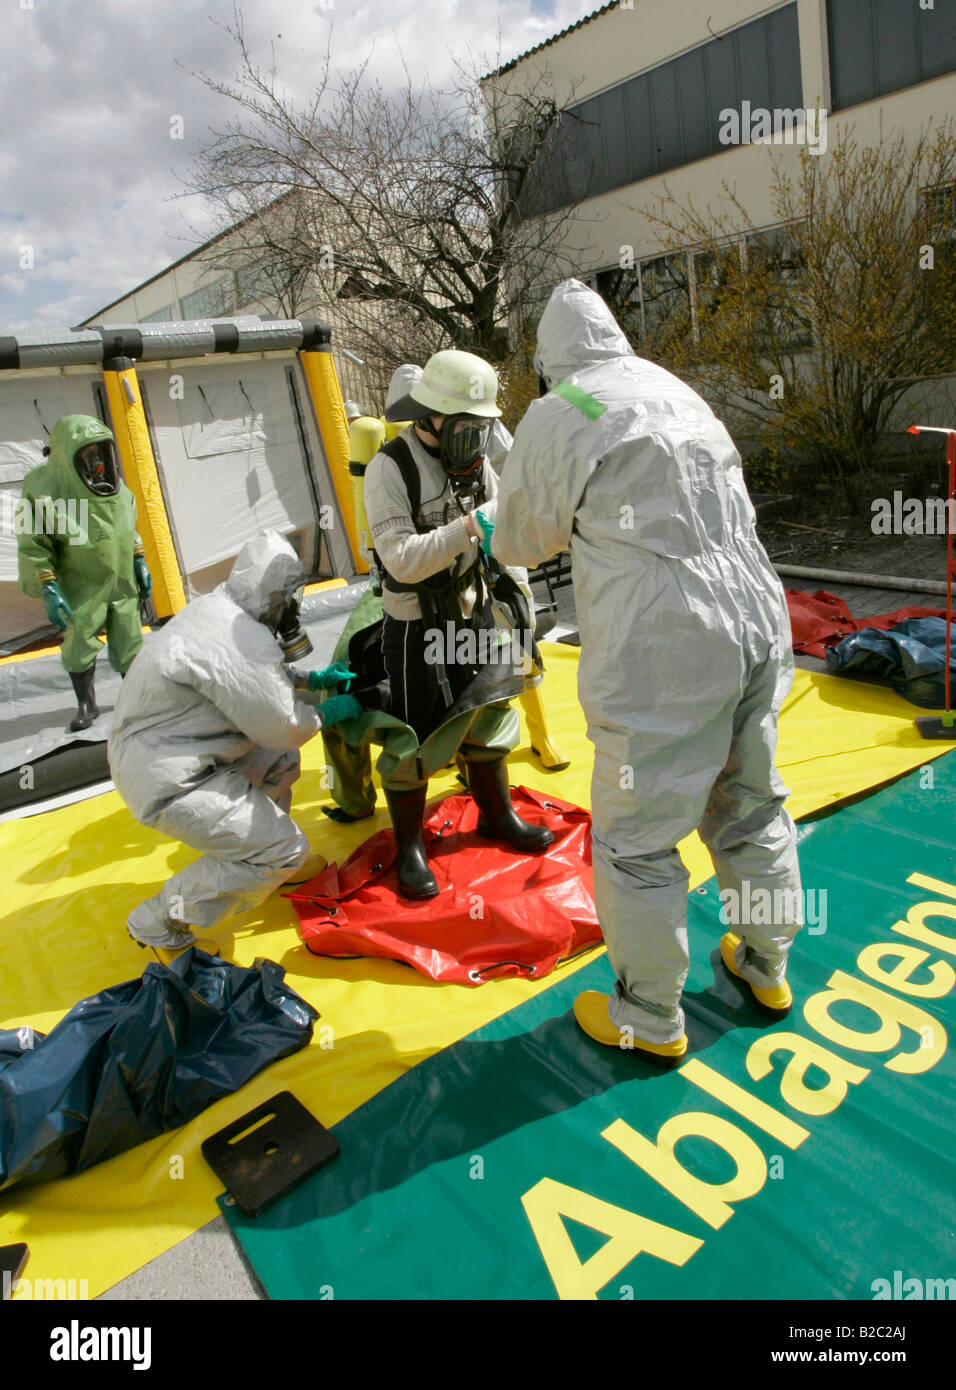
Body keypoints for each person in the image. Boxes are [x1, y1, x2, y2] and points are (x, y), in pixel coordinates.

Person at [489, 279, 803, 1065]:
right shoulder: (670, 386)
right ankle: (766, 965)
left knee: (637, 836)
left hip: (666, 636)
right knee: (753, 799)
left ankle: (651, 1013)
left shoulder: (562, 412)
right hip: (756, 609)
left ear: (549, 362)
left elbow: (519, 543)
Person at [108, 530, 360, 963]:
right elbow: (284, 724)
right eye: (291, 596)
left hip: (182, 753)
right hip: (168, 779)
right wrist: (326, 711)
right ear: (277, 593)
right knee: (284, 840)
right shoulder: (238, 636)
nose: (293, 608)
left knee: (278, 760)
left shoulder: (223, 611)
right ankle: (159, 920)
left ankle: (264, 853)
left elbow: (248, 684)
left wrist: (308, 680)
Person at [355, 348, 554, 899]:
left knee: (487, 710)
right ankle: (411, 847)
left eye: (481, 427)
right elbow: (401, 559)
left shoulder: (477, 464)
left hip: (474, 609)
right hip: (416, 623)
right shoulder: (389, 468)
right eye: (465, 427)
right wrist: (469, 525)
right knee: (418, 734)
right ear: (430, 415)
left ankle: (497, 815)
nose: (476, 440)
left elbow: (503, 530)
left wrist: (521, 597)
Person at [16, 414, 151, 731]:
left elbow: (126, 524)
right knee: (80, 638)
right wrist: (47, 584)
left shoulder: (115, 486)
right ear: (65, 456)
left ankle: (137, 699)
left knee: (130, 637)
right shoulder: (44, 491)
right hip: (82, 582)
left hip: (121, 579)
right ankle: (86, 704)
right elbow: (32, 541)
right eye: (87, 454)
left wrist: (138, 558)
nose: (97, 463)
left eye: (100, 452)